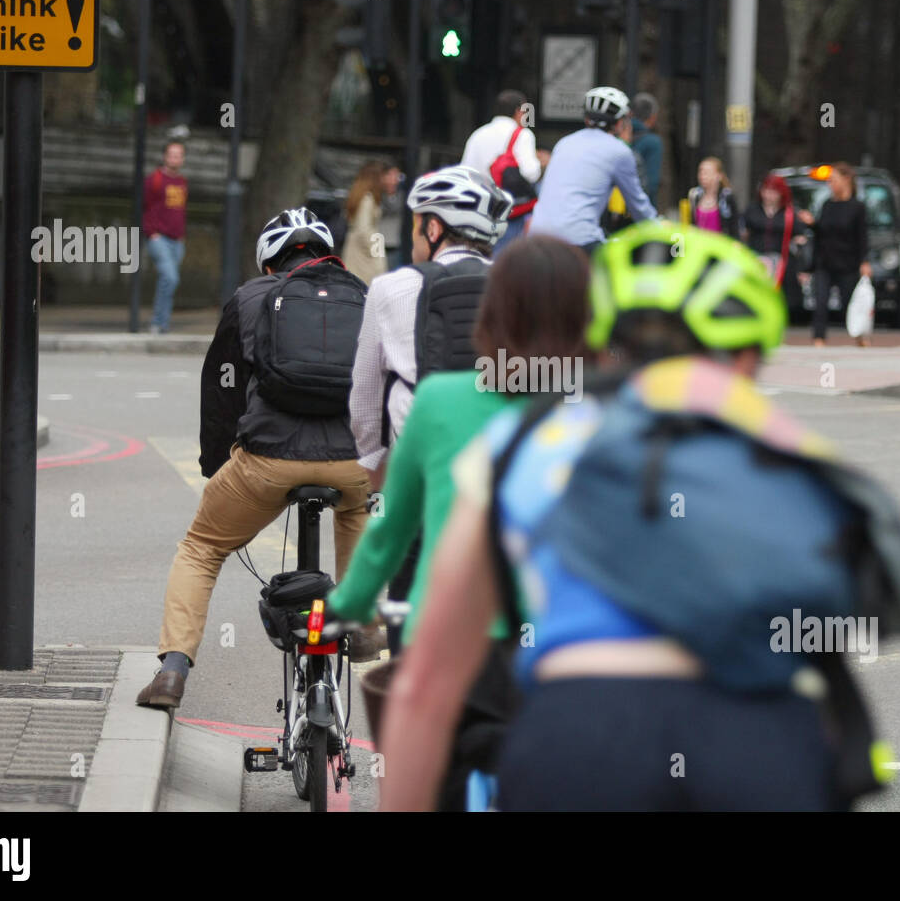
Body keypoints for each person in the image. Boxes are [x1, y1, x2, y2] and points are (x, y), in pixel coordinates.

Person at [372, 221, 900, 810]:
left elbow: (427, 687)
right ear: (746, 355)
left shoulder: (525, 440)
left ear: (606, 338)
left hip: (581, 743)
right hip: (760, 746)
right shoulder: (776, 449)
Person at [328, 235, 591, 810]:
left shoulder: (440, 398)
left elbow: (391, 532)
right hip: (554, 651)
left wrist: (346, 606)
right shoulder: (592, 408)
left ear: (493, 312)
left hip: (446, 643)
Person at [136, 208, 374, 710]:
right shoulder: (363, 297)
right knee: (356, 512)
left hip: (267, 461)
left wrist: (217, 464)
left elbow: (222, 391)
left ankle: (172, 672)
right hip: (352, 462)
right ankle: (364, 630)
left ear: (270, 263)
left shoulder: (250, 298)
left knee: (201, 546)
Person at [348, 166, 512, 652]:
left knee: (409, 622)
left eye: (418, 223)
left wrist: (375, 470)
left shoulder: (390, 289)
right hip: (503, 483)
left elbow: (363, 396)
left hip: (420, 485)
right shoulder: (515, 286)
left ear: (434, 228)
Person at [531, 87, 657, 254]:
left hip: (537, 236)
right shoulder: (619, 151)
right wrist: (658, 226)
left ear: (586, 118)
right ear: (620, 123)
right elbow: (638, 206)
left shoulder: (565, 142)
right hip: (577, 239)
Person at [798, 162, 871, 347]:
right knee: (820, 300)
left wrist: (864, 261)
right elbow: (821, 232)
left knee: (850, 303)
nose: (830, 184)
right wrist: (812, 224)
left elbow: (861, 236)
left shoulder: (857, 207)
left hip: (847, 262)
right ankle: (818, 337)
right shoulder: (827, 204)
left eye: (833, 180)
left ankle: (859, 335)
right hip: (825, 260)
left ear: (846, 180)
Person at [461, 90, 543, 249]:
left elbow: (465, 172)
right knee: (506, 261)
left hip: (479, 209)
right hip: (510, 212)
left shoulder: (478, 134)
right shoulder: (523, 135)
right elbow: (531, 173)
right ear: (519, 111)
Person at [144, 139, 189, 334]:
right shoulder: (155, 180)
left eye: (178, 155)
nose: (175, 158)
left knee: (168, 281)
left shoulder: (182, 182)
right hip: (158, 238)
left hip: (176, 240)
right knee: (170, 278)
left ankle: (163, 324)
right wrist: (151, 233)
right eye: (172, 154)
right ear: (165, 156)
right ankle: (157, 322)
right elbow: (144, 207)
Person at [742, 173, 808, 287]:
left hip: (781, 264)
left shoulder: (789, 213)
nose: (769, 195)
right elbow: (744, 234)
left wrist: (802, 268)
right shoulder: (752, 209)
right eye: (766, 190)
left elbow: (800, 242)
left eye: (773, 191)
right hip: (756, 259)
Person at [343, 160, 389, 285]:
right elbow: (365, 230)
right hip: (364, 256)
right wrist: (378, 255)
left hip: (355, 250)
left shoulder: (361, 197)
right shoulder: (367, 200)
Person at [686, 157, 739, 237]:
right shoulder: (694, 195)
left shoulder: (726, 197)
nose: (702, 176)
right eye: (700, 172)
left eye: (707, 172)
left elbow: (734, 226)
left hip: (719, 245)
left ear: (719, 176)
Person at [630, 92, 664, 206]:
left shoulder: (616, 136)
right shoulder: (653, 142)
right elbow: (652, 183)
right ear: (653, 117)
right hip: (639, 209)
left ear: (631, 113)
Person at [378, 165, 406, 270]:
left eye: (396, 175)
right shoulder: (377, 196)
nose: (393, 180)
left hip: (395, 243)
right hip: (378, 242)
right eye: (390, 175)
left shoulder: (403, 197)